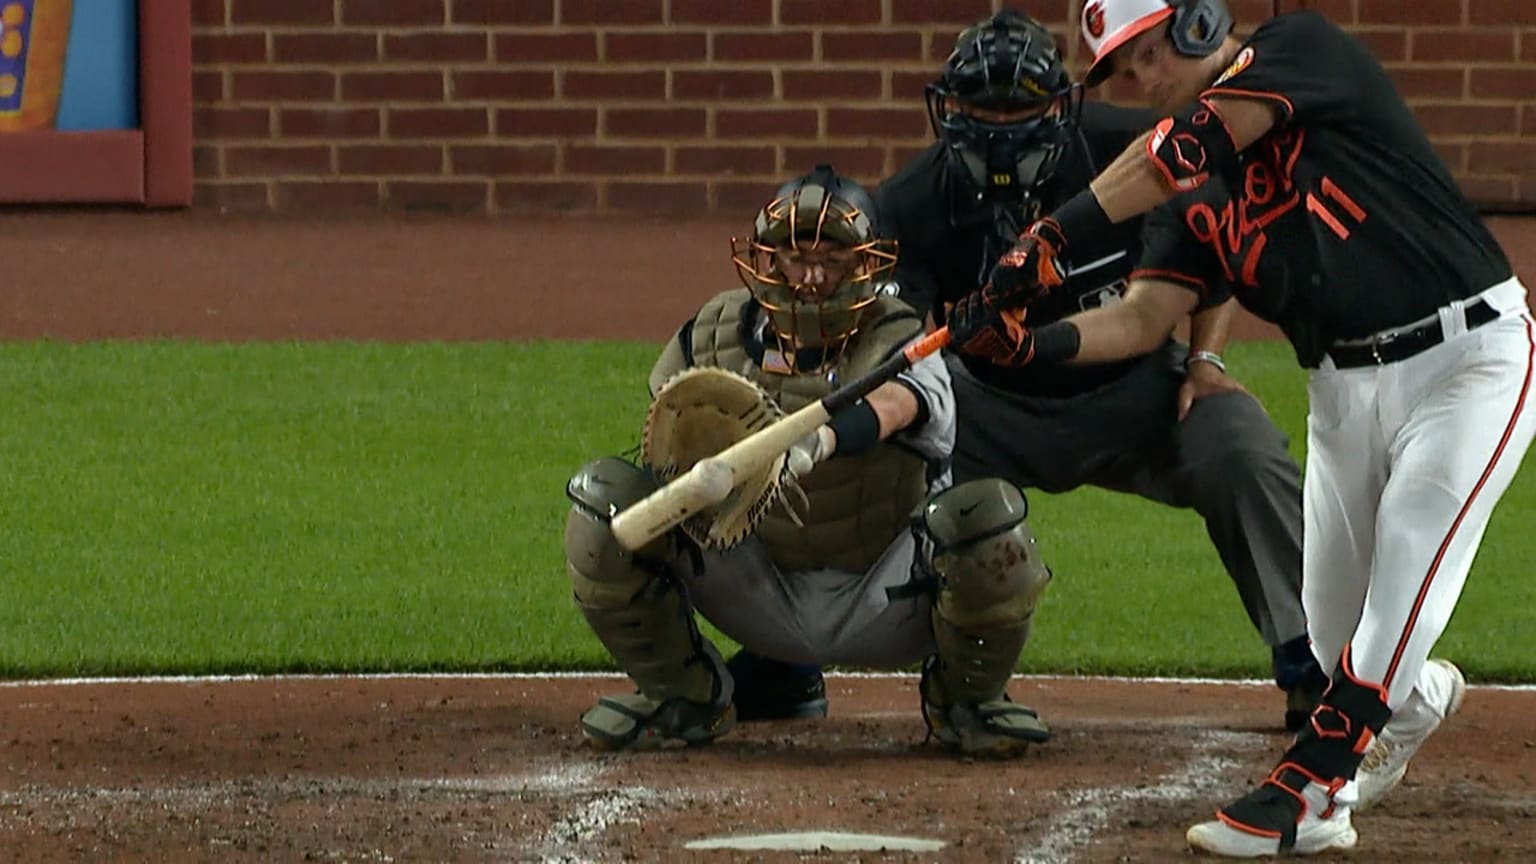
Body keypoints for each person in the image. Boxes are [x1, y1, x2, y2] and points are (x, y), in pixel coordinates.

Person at [947, 0, 1535, 856]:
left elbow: (1173, 149)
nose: (1140, 80)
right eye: (1121, 69)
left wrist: (1044, 240)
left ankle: (1312, 793)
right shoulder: (1198, 200)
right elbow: (1146, 318)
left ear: (1196, 26)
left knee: (1410, 564)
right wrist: (1026, 342)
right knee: (1335, 636)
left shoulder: (1299, 51)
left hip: (1469, 362)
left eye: (1147, 53)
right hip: (1340, 389)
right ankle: (1414, 698)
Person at [870, 8, 1323, 733]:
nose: (1000, 125)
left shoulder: (1133, 153)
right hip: (989, 408)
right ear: (947, 112)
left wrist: (1205, 359)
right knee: (876, 453)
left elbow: (1216, 246)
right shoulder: (912, 200)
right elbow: (894, 342)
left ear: (1061, 107)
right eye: (982, 108)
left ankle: (1312, 658)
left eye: (1018, 107)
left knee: (1238, 441)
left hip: (1140, 391)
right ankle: (838, 659)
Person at [563, 165, 1055, 757]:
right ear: (767, 260)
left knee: (988, 520)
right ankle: (683, 695)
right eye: (795, 258)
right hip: (755, 587)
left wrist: (820, 441)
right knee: (605, 502)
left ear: (865, 264)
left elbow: (897, 404)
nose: (812, 277)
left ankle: (967, 703)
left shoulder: (899, 339)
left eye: (832, 259)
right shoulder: (709, 336)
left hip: (887, 598)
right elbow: (665, 441)